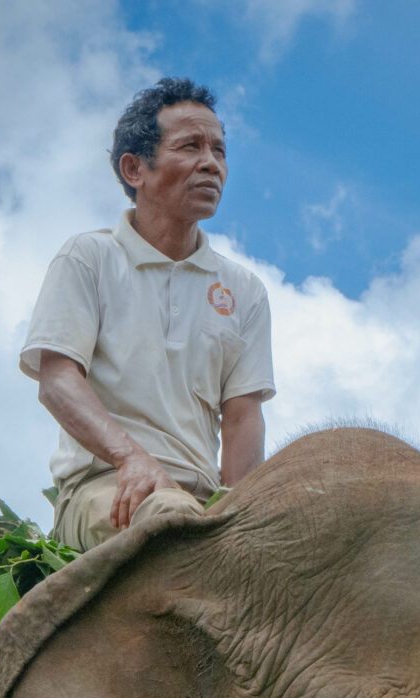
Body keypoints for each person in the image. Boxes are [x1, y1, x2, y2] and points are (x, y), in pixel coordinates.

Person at [20, 78, 274, 551]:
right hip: (107, 487)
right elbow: (57, 379)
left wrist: (241, 517)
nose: (211, 164)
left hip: (203, 505)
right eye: (190, 147)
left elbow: (242, 418)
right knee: (167, 517)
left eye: (219, 150)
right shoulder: (89, 258)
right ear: (134, 169)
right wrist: (131, 459)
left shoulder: (244, 291)